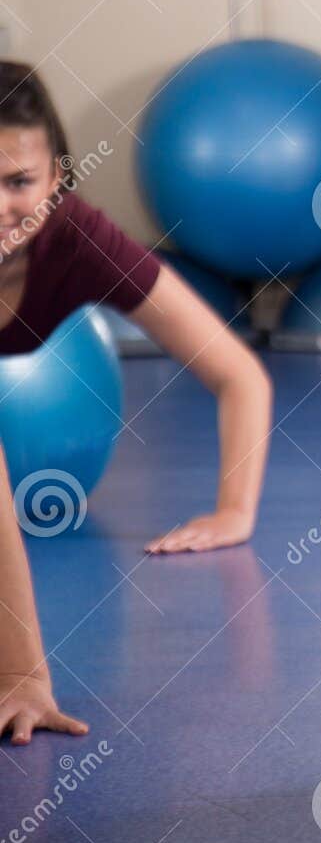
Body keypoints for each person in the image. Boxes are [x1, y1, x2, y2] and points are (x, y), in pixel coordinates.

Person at [0, 61, 274, 743]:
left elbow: (240, 374)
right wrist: (22, 674)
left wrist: (233, 510)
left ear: (57, 176)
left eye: (18, 182)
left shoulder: (76, 237)